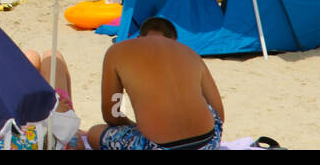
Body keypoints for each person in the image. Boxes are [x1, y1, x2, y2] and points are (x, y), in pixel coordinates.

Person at [87, 17, 225, 151]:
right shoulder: (190, 53)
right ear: (174, 40)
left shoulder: (117, 50)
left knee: (94, 133)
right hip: (208, 143)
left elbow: (113, 115)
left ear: (139, 37)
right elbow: (219, 113)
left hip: (157, 146)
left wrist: (134, 127)